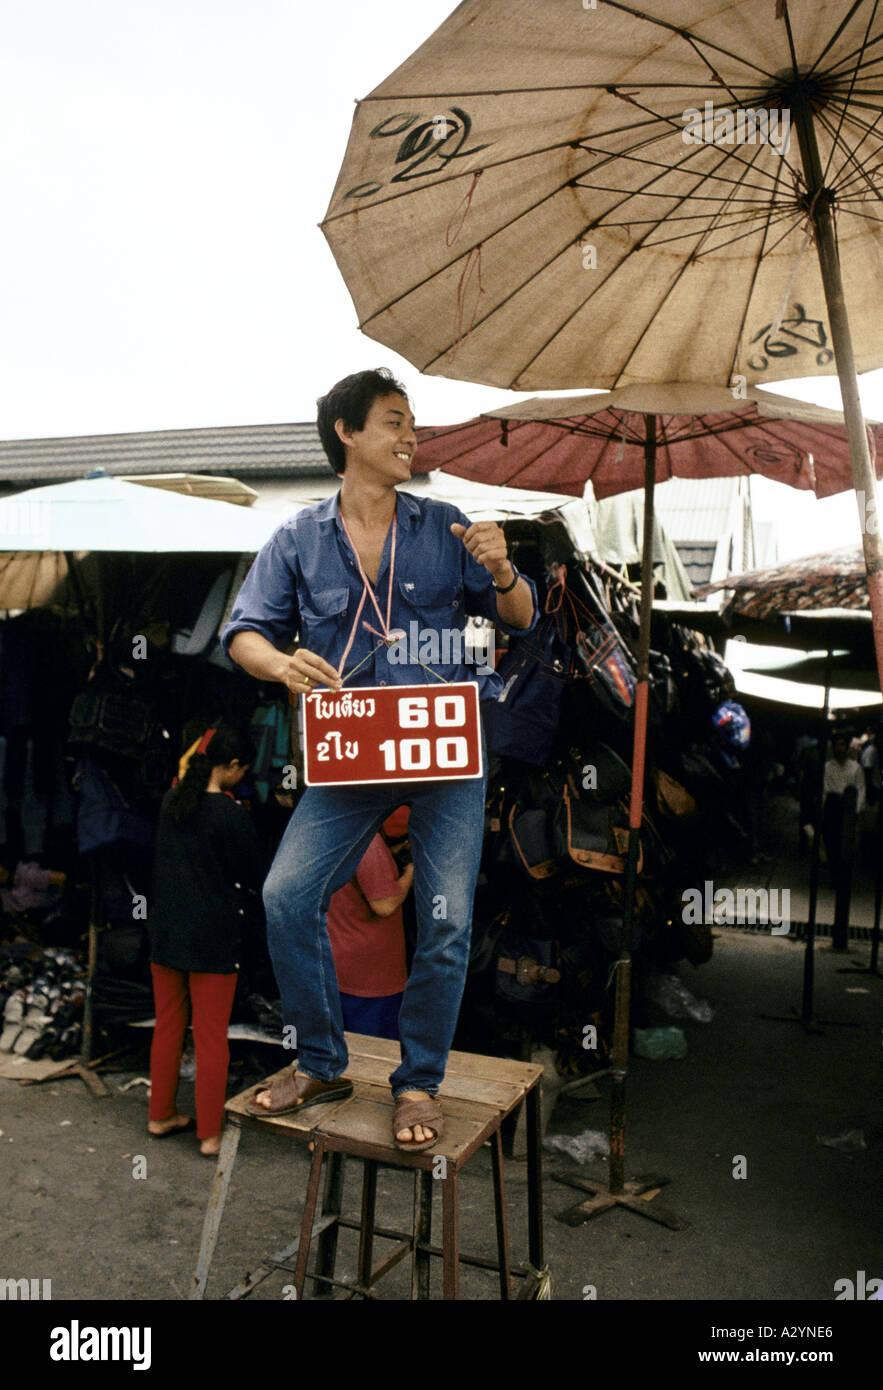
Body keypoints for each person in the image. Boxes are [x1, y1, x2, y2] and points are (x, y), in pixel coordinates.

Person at [222, 367, 537, 1150]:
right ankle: (322, 1059)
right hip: (351, 757)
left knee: (444, 921)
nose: (411, 438)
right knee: (286, 897)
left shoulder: (446, 525)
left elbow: (521, 620)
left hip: (445, 759)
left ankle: (418, 1080)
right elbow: (243, 631)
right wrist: (279, 665)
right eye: (394, 422)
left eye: (413, 424)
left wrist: (502, 573)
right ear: (347, 433)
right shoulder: (297, 537)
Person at [147, 723, 264, 1156]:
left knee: (168, 1027)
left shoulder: (169, 803)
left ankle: (160, 1116)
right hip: (213, 940)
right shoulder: (232, 815)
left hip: (166, 935)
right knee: (211, 1035)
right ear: (232, 766)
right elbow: (255, 877)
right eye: (243, 770)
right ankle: (210, 1135)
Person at [327, 808, 412, 1041]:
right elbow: (384, 905)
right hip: (372, 975)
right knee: (375, 1054)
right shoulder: (369, 843)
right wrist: (411, 872)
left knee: (345, 1051)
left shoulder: (332, 830)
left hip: (341, 960)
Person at [822, 728, 865, 952]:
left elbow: (861, 791)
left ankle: (841, 875)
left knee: (844, 847)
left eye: (843, 744)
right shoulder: (828, 767)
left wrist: (855, 812)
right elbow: (824, 791)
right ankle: (834, 874)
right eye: (837, 744)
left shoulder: (855, 768)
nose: (840, 748)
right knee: (831, 845)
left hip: (847, 810)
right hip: (832, 807)